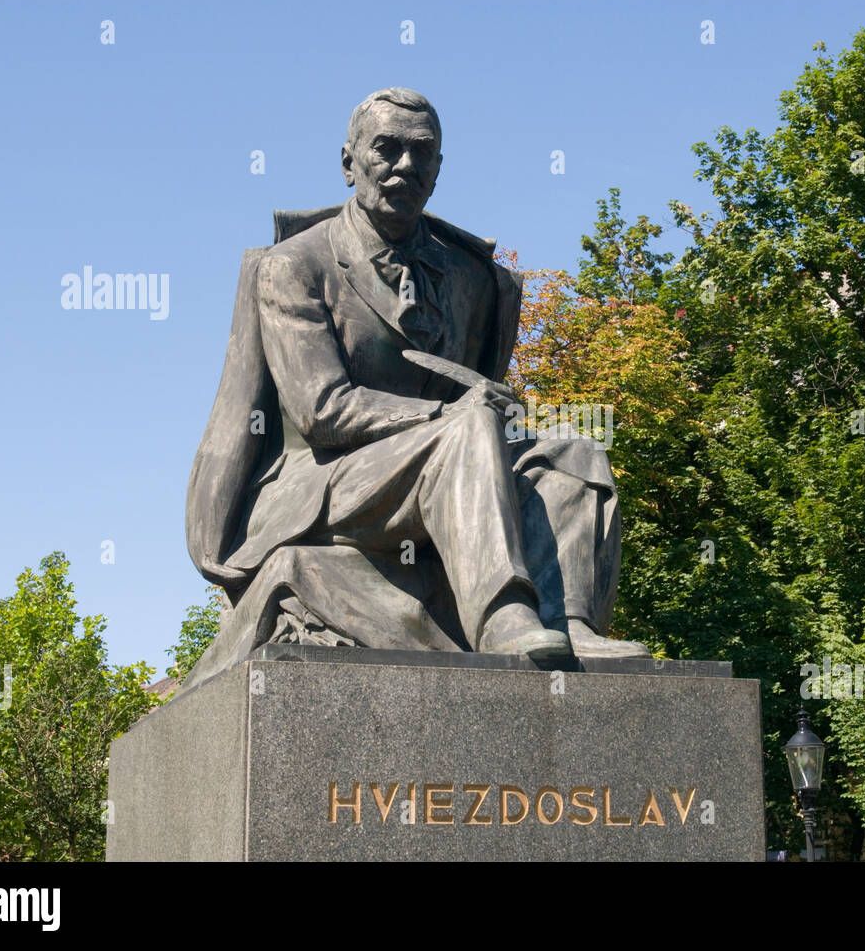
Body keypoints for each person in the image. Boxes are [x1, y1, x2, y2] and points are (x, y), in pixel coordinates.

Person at [181, 88, 648, 690]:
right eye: (386, 148)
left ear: (439, 168)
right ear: (349, 162)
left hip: (442, 465)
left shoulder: (472, 278)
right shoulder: (296, 266)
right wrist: (450, 416)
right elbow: (322, 410)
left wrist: (494, 412)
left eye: (422, 153)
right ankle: (502, 617)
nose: (405, 165)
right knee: (468, 426)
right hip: (326, 481)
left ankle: (569, 621)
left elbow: (481, 392)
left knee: (572, 452)